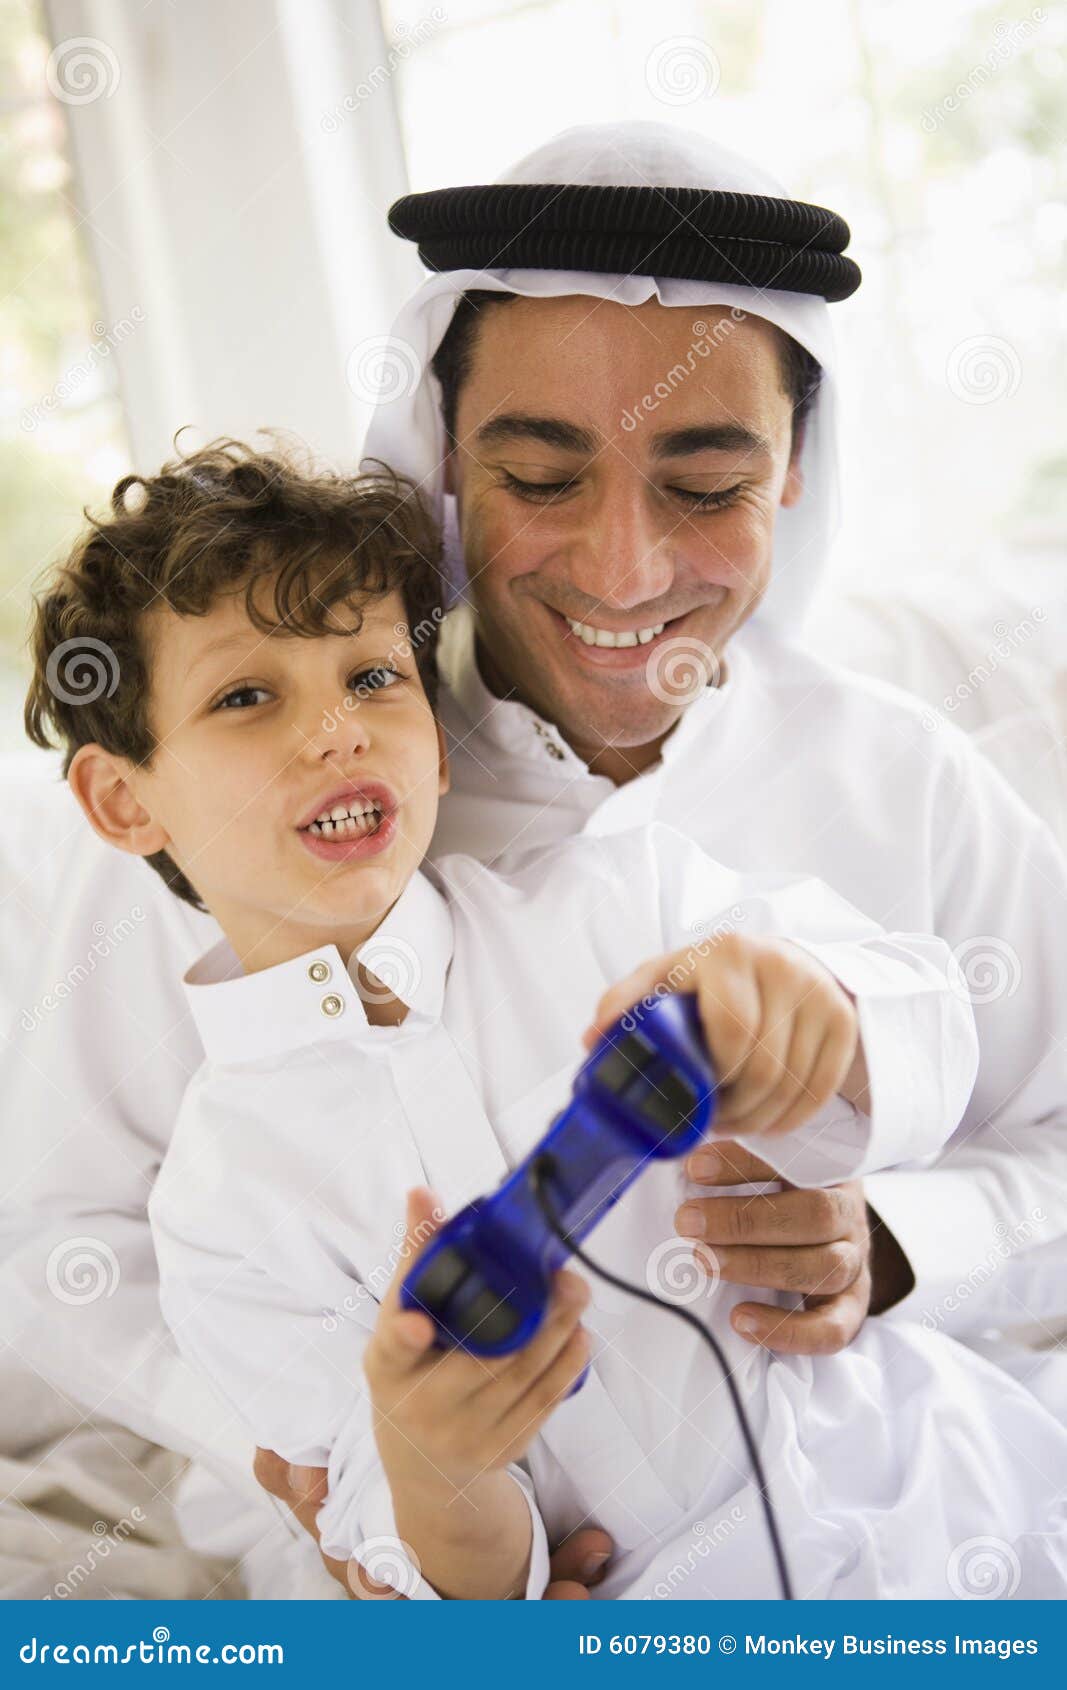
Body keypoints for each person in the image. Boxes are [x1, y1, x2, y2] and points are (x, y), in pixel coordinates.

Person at [3, 120, 1066, 1596]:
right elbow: (67, 1242)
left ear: (795, 475)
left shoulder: (900, 783)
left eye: (703, 484)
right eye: (544, 477)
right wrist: (351, 1472)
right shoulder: (268, 794)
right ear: (447, 465)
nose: (625, 571)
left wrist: (895, 1237)